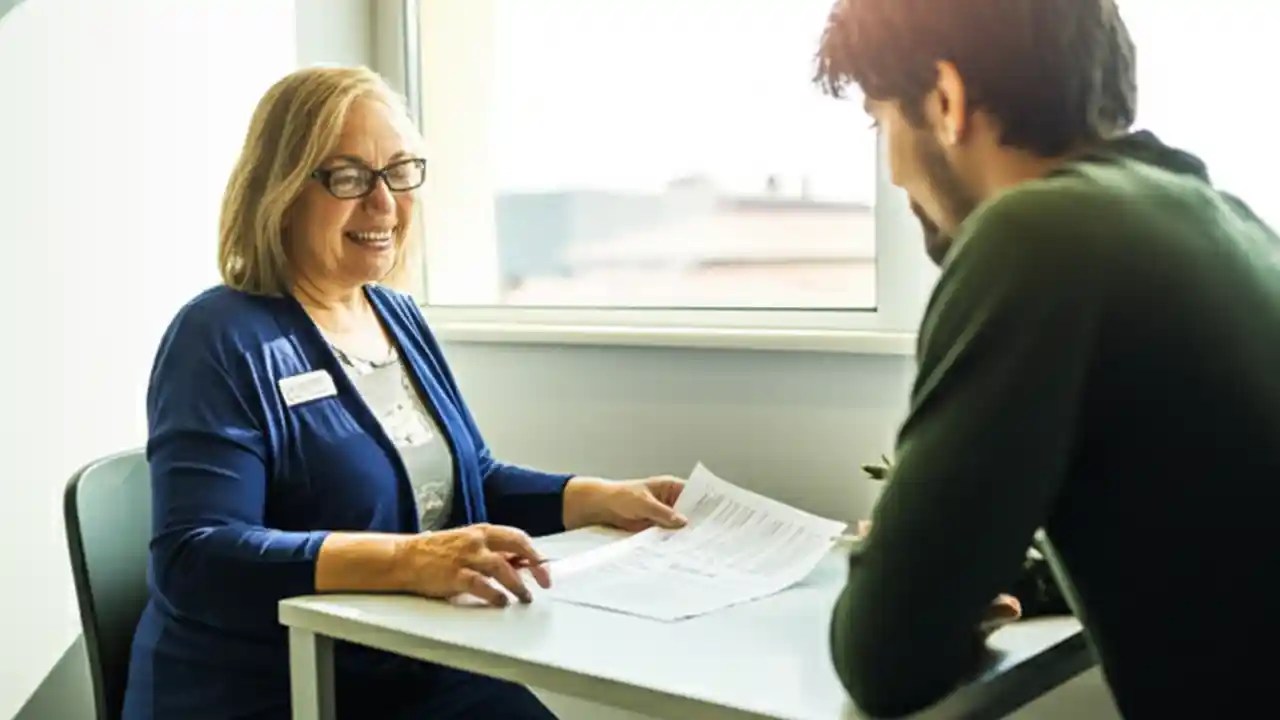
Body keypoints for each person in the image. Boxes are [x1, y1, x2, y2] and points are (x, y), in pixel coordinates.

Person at [121, 65, 688, 720]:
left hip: (414, 669)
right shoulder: (219, 336)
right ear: (279, 192)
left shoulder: (396, 315)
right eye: (348, 177)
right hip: (274, 688)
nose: (384, 202)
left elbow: (464, 483)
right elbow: (197, 558)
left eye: (399, 171)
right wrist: (410, 560)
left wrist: (595, 499)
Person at [813, 0, 1280, 717]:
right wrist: (994, 577)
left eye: (882, 123)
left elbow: (886, 659)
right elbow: (1182, 536)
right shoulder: (1227, 222)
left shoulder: (1037, 235)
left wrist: (898, 566)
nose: (897, 177)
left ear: (946, 100)